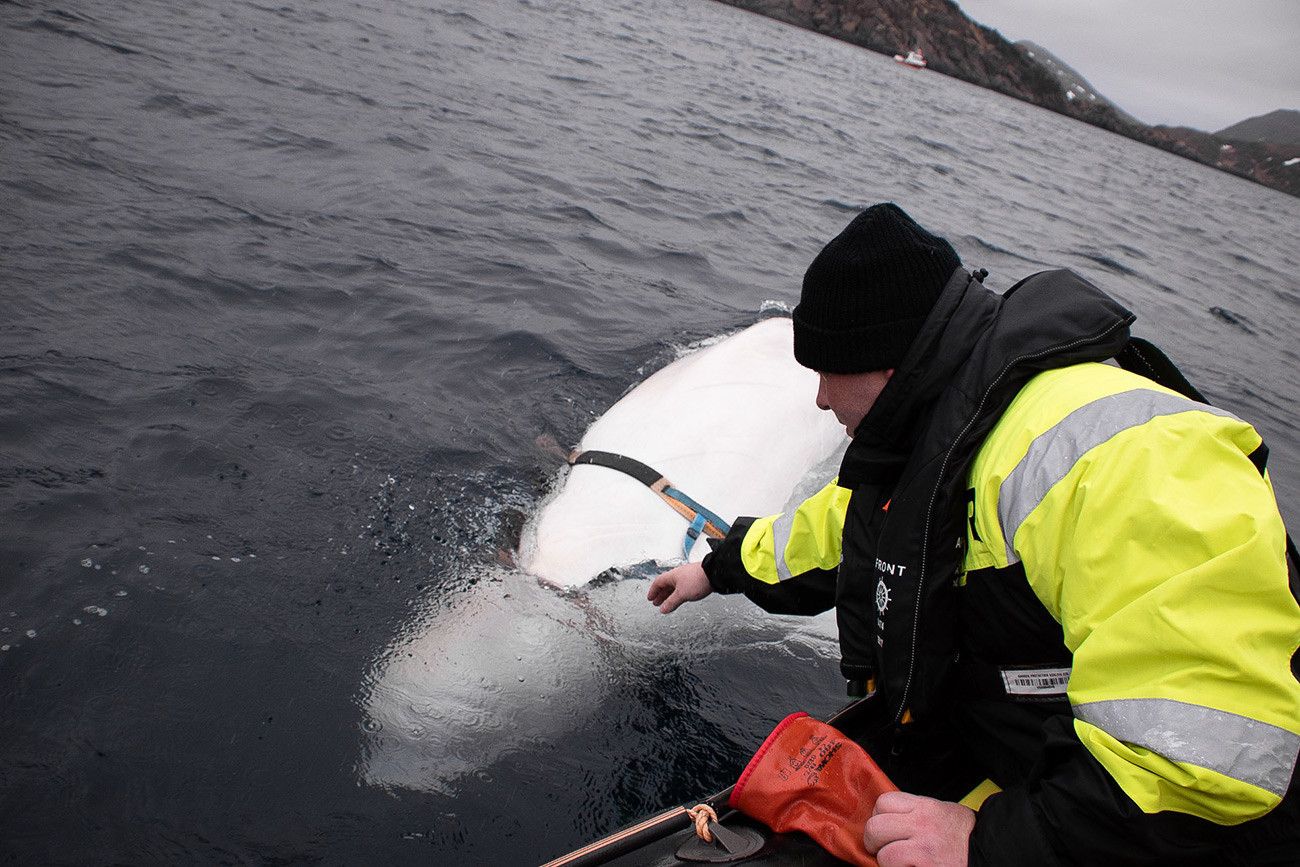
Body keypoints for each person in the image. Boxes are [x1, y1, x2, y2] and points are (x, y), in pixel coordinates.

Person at [647, 203, 1300, 866]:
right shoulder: (946, 432)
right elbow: (843, 533)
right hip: (1036, 766)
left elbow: (1204, 763)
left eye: (826, 371)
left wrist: (989, 844)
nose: (819, 399)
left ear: (886, 364)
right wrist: (719, 568)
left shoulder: (1133, 461)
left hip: (1158, 830)